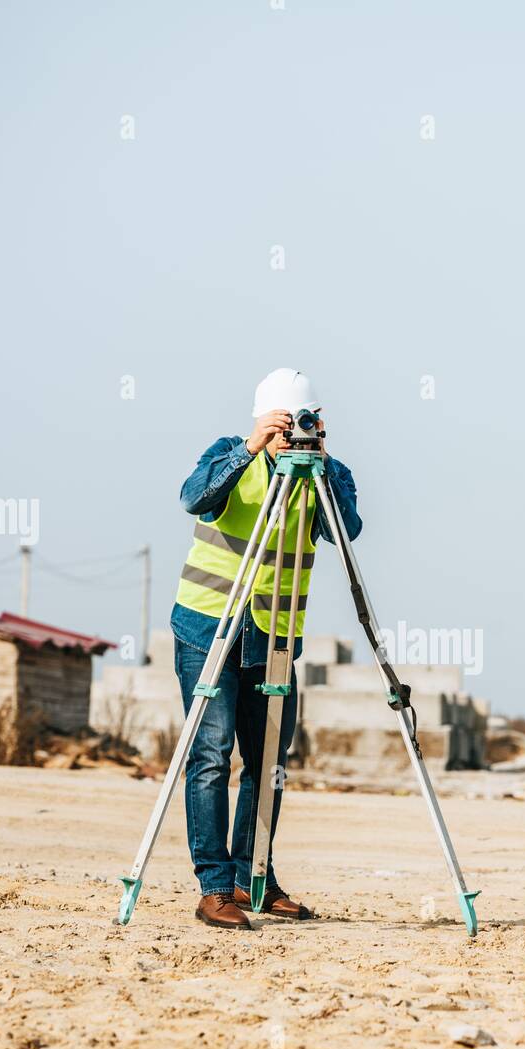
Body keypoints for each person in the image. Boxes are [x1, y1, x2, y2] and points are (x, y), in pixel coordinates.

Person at [171, 368, 362, 929]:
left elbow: (343, 531)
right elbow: (193, 498)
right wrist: (253, 447)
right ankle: (214, 888)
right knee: (210, 758)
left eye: (306, 421)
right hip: (209, 627)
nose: (294, 433)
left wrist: (320, 468)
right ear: (263, 419)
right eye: (286, 423)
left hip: (273, 638)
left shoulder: (326, 472)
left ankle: (256, 877)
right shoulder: (232, 453)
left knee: (268, 764)